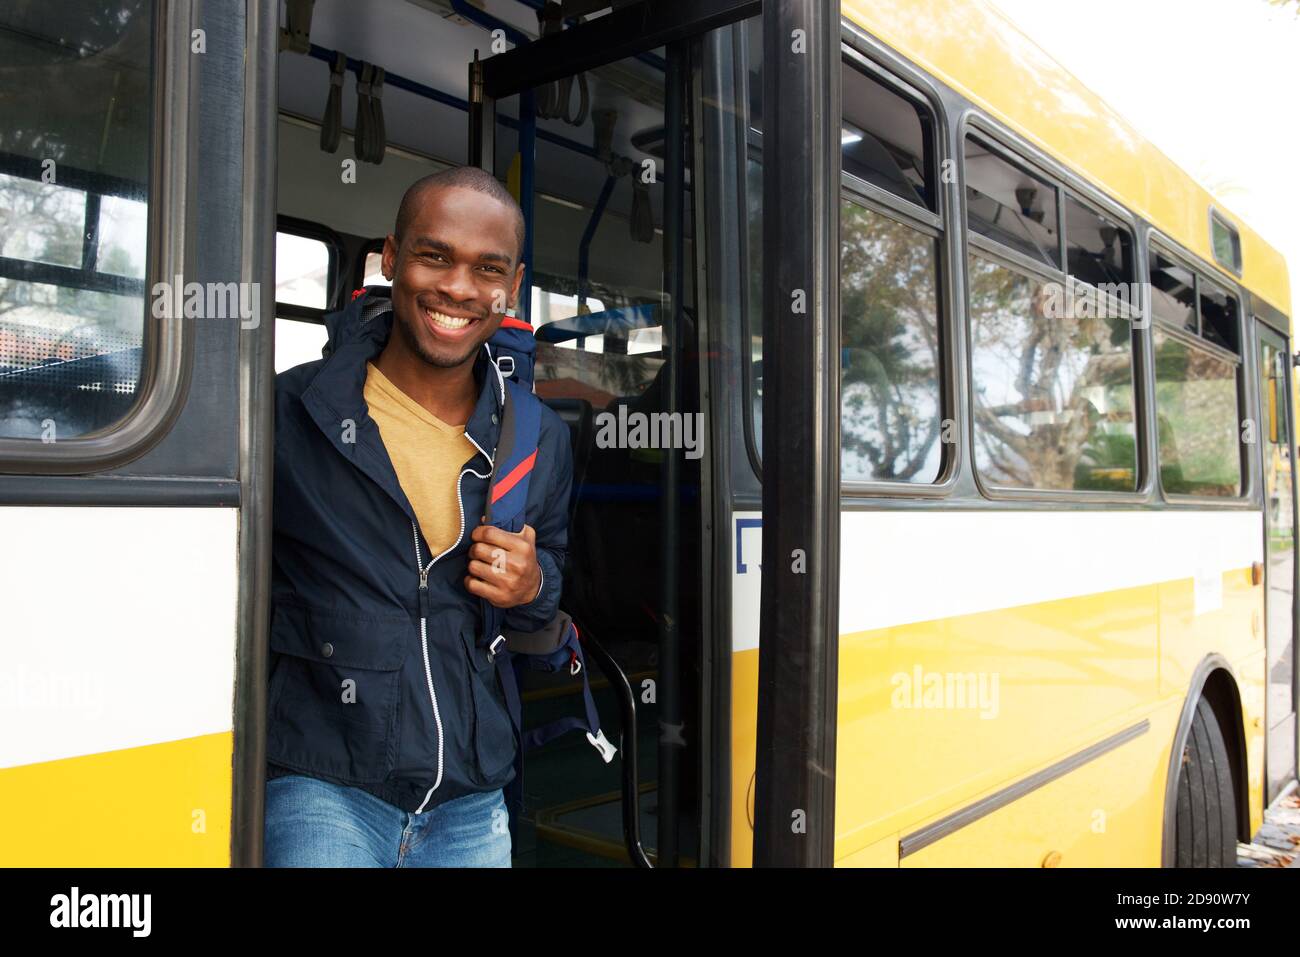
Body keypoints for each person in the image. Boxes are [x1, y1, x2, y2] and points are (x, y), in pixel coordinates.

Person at [263, 167, 573, 867]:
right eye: (436, 256)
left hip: (471, 796)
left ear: (511, 286)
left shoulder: (538, 437)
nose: (460, 288)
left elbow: (545, 601)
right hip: (323, 782)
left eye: (486, 269)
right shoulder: (291, 412)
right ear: (392, 259)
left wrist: (532, 586)